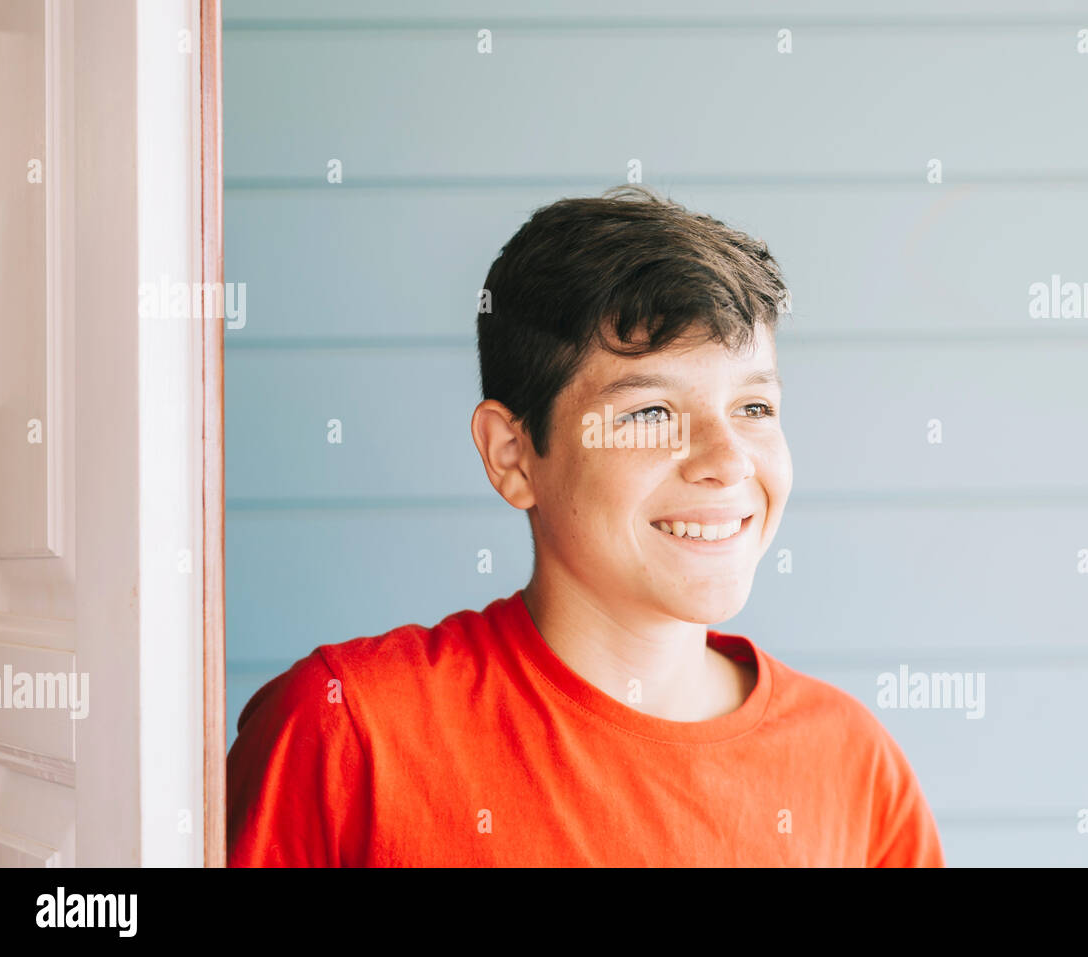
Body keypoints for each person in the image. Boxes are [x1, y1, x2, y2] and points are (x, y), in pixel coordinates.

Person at [226, 185, 945, 867]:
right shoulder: (347, 730)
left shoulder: (853, 763)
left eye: (754, 408)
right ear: (513, 455)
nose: (728, 461)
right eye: (649, 414)